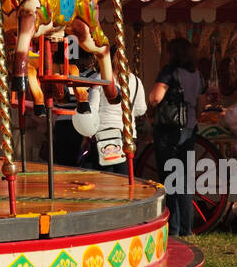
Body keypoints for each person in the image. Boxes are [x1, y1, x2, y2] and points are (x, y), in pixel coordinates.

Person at [147, 37, 204, 236]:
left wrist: (152, 101)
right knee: (184, 180)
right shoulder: (197, 74)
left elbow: (155, 98)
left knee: (170, 179)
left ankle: (173, 228)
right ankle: (187, 228)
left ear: (173, 54)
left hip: (168, 130)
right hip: (189, 129)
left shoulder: (169, 72)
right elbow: (201, 103)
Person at [82, 44, 146, 174]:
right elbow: (141, 109)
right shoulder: (136, 81)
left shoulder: (100, 78)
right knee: (123, 177)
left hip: (103, 134)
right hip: (127, 135)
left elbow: (93, 107)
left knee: (105, 177)